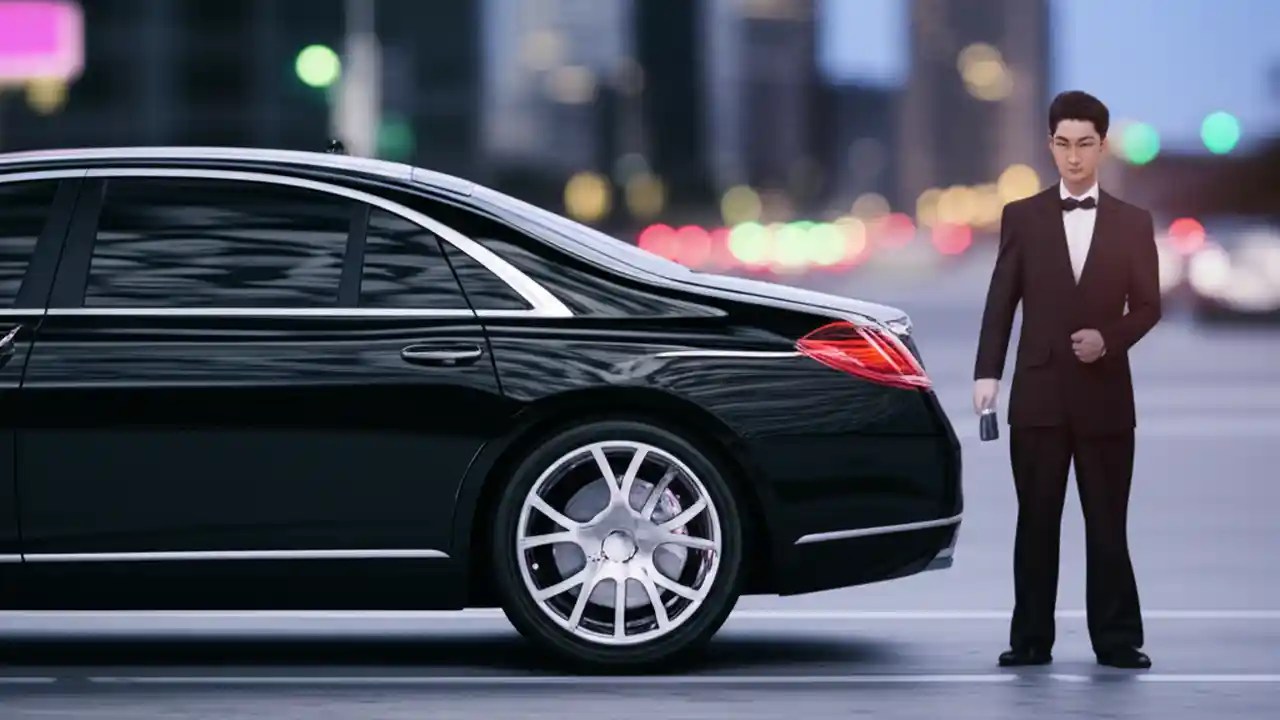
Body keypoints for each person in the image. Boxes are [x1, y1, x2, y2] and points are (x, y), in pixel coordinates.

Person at [973, 90, 1161, 669]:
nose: (1073, 157)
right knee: (1036, 524)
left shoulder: (1134, 223)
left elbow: (1149, 306)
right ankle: (1030, 639)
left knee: (1108, 524)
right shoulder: (1022, 217)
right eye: (1062, 144)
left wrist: (1109, 338)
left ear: (1102, 146)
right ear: (1050, 145)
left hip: (1105, 396)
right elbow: (1001, 302)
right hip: (1038, 396)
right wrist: (987, 374)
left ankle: (1118, 639)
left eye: (1084, 145)